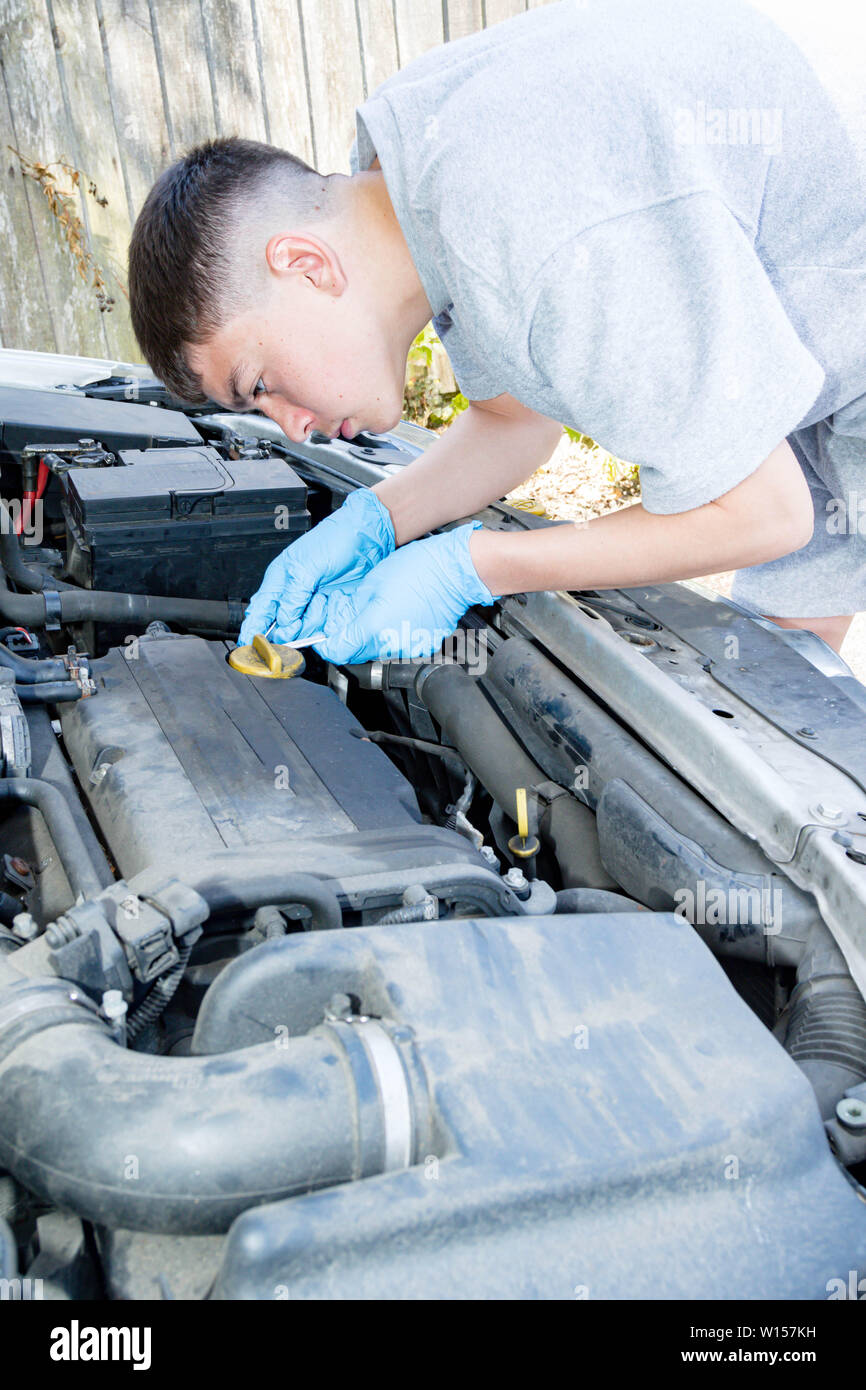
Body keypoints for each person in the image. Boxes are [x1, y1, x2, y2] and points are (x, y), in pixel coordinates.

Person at [128, 0, 866, 663]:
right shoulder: (412, 172)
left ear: (304, 264)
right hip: (813, 320)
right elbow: (517, 423)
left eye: (260, 386)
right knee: (795, 688)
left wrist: (474, 566)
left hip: (836, 290)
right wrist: (380, 519)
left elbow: (760, 515)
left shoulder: (538, 234)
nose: (292, 428)